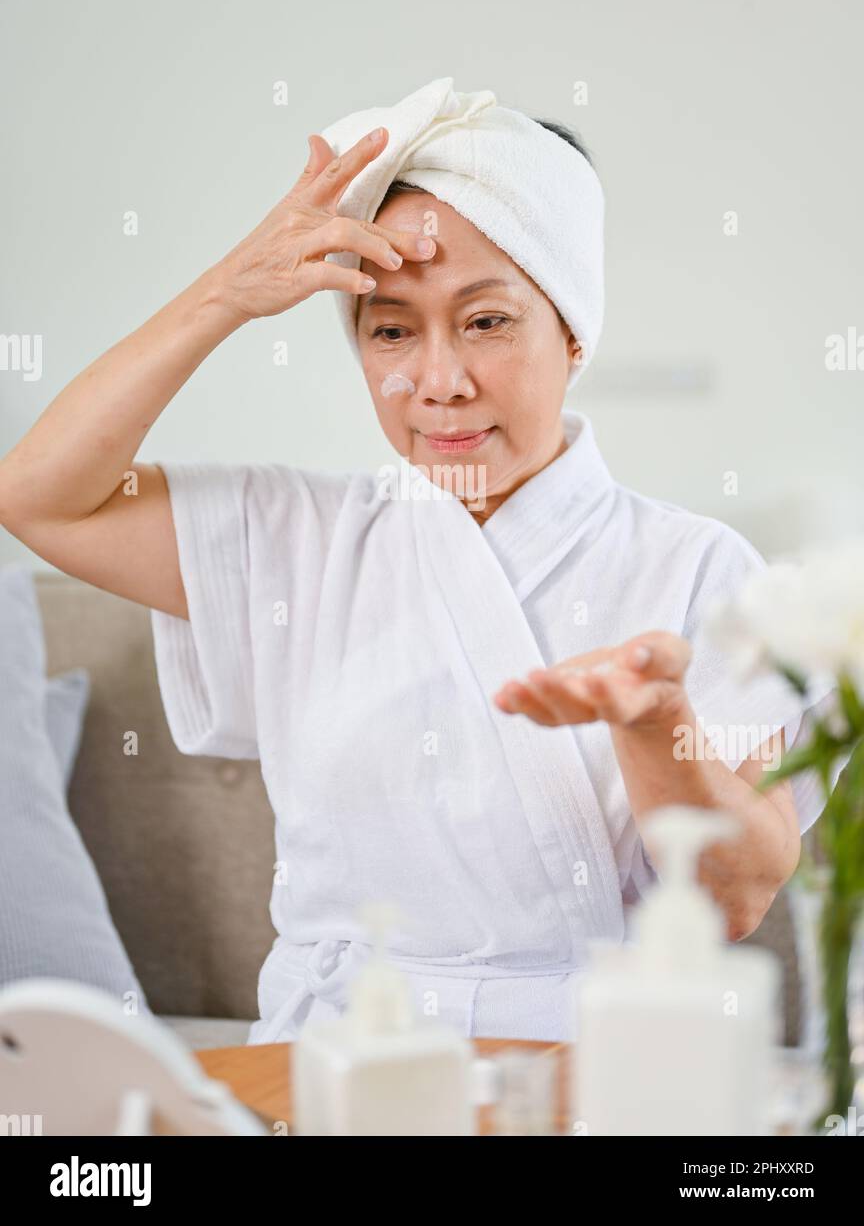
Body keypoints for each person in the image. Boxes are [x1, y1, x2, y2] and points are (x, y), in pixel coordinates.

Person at [0, 79, 832, 1043]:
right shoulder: (295, 538)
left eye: (486, 321)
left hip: (586, 1067)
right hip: (333, 1062)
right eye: (391, 329)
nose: (438, 382)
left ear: (571, 330)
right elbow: (37, 496)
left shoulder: (696, 568)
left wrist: (655, 724)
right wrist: (227, 292)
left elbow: (737, 894)